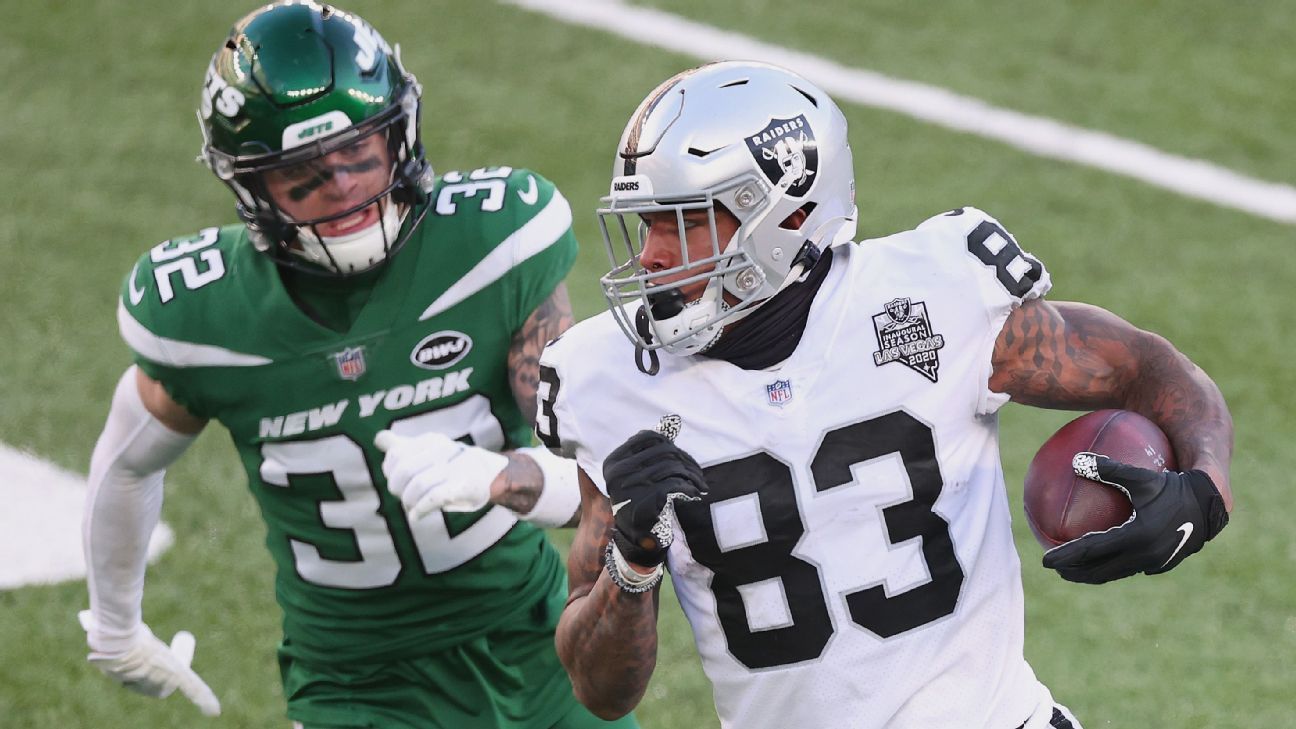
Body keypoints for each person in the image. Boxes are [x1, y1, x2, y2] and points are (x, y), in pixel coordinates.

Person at [536, 61, 1233, 729]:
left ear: (784, 218)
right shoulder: (609, 380)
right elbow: (598, 689)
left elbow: (1147, 366)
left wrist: (1203, 493)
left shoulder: (936, 296)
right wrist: (631, 564)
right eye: (647, 223)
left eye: (682, 222)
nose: (653, 255)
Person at [80, 3, 637, 728]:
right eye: (303, 176)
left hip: (538, 644)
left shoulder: (489, 245)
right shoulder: (202, 315)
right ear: (252, 187)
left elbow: (610, 472)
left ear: (398, 136)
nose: (341, 185)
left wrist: (506, 477)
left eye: (359, 153)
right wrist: (115, 624)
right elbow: (126, 462)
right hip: (356, 679)